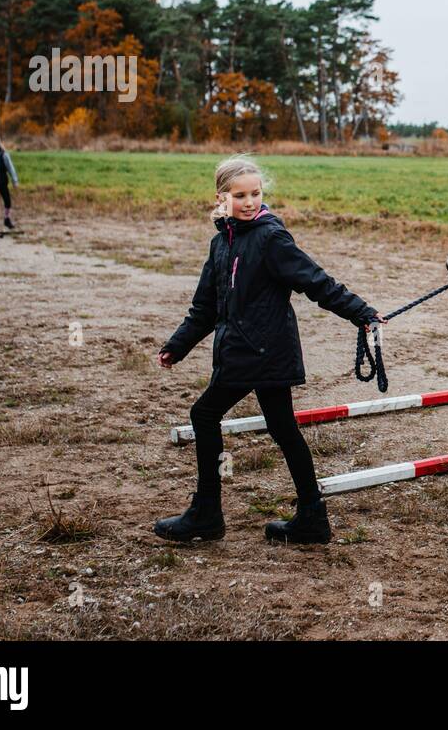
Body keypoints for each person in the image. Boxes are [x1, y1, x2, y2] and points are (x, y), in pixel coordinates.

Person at [154, 154, 385, 545]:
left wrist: (361, 313)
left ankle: (207, 514)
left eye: (255, 194)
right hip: (249, 353)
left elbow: (316, 282)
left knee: (204, 414)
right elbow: (206, 308)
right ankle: (311, 516)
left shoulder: (270, 237)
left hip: (259, 353)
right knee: (282, 428)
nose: (249, 202)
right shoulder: (220, 244)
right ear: (221, 197)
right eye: (239, 195)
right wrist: (178, 346)